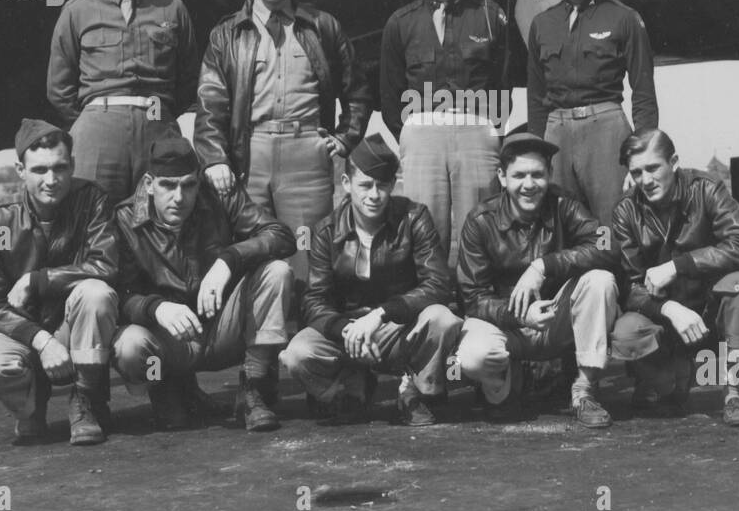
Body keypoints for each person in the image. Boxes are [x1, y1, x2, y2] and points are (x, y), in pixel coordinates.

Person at [193, 0, 369, 281]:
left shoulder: (322, 27)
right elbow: (209, 101)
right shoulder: (226, 34)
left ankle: (309, 332)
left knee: (308, 253)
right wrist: (214, 157)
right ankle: (261, 334)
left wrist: (345, 138)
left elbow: (357, 91)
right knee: (253, 247)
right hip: (250, 153)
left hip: (306, 150)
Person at [109, 136, 297, 433]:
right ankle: (166, 387)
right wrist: (156, 308)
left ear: (199, 180)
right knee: (130, 347)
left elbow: (281, 235)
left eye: (188, 185)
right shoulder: (124, 218)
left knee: (277, 272)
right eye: (167, 185)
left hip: (221, 325)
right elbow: (119, 294)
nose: (179, 197)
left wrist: (229, 259)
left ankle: (254, 386)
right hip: (169, 338)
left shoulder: (220, 197)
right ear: (148, 183)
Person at [283, 135, 461, 426]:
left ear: (392, 185)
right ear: (346, 183)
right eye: (365, 185)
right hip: (347, 334)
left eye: (382, 185)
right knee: (296, 354)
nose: (374, 195)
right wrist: (346, 330)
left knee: (443, 319)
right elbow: (314, 300)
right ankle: (345, 388)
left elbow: (438, 284)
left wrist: (381, 314)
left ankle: (414, 390)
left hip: (398, 326)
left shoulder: (415, 217)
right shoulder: (325, 231)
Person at [0, 119, 119, 446]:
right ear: (20, 169)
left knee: (96, 293)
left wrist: (38, 280)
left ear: (73, 165)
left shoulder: (92, 201)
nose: (51, 180)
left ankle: (86, 400)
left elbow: (106, 265)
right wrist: (41, 341)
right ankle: (31, 404)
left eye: (60, 168)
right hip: (24, 330)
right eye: (39, 170)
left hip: (72, 324)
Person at [454, 131, 619, 429]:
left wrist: (543, 265)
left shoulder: (564, 203)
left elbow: (607, 245)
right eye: (519, 175)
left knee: (600, 280)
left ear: (550, 174)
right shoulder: (479, 220)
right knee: (472, 356)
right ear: (502, 177)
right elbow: (473, 297)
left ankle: (584, 390)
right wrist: (519, 315)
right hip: (506, 326)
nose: (529, 185)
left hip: (554, 319)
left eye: (537, 175)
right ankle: (499, 392)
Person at [379, 0, 512, 267]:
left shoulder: (489, 14)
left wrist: (489, 132)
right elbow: (390, 94)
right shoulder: (400, 23)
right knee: (424, 229)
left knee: (481, 226)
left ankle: (479, 308)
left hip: (476, 134)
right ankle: (429, 308)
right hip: (422, 135)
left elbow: (502, 82)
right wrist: (411, 134)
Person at [609, 129, 739, 427]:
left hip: (710, 314)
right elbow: (630, 286)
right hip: (668, 320)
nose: (646, 180)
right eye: (637, 172)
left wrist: (678, 265)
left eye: (653, 168)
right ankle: (670, 374)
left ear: (674, 162)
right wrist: (669, 309)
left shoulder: (706, 188)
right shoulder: (626, 211)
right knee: (628, 332)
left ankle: (735, 392)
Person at [47, 0, 200, 202]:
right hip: (98, 130)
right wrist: (95, 118)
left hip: (158, 129)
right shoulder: (79, 9)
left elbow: (189, 79)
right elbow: (59, 87)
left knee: (158, 226)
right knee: (93, 222)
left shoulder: (171, 6)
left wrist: (159, 116)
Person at [526, 0, 658, 227]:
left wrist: (644, 152)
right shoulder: (542, 25)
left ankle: (612, 276)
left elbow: (643, 91)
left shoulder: (624, 18)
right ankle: (568, 276)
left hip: (606, 131)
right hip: (555, 133)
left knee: (610, 222)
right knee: (556, 221)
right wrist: (535, 150)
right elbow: (536, 98)